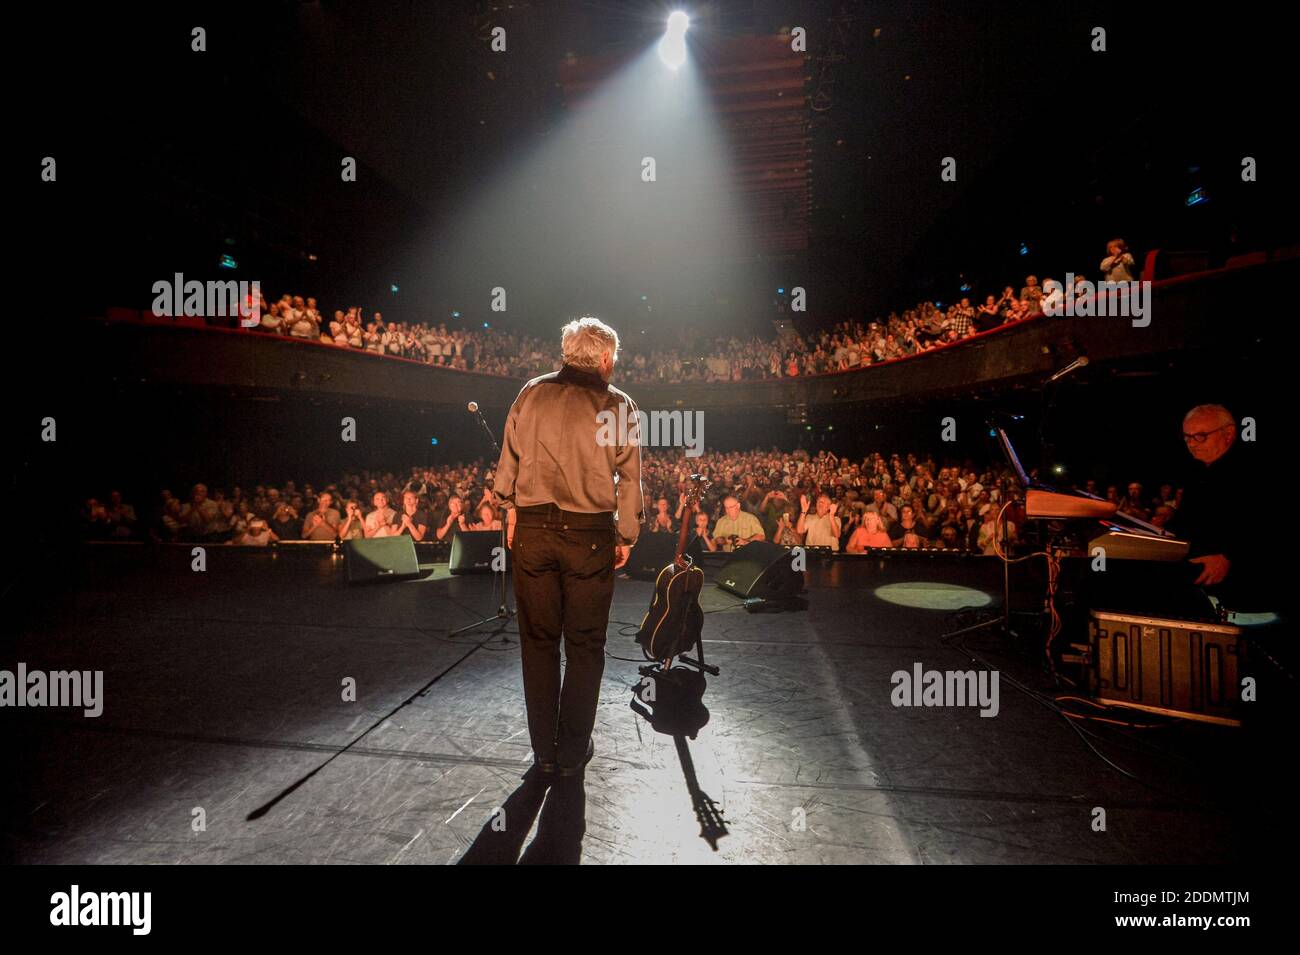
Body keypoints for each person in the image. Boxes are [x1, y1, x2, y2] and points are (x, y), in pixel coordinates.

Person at [494, 316, 643, 778]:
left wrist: (512, 512)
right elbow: (630, 478)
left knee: (538, 643)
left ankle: (544, 751)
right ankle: (572, 750)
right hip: (589, 536)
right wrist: (627, 535)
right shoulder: (617, 404)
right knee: (585, 645)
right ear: (605, 358)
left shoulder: (530, 393)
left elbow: (507, 465)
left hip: (533, 532)